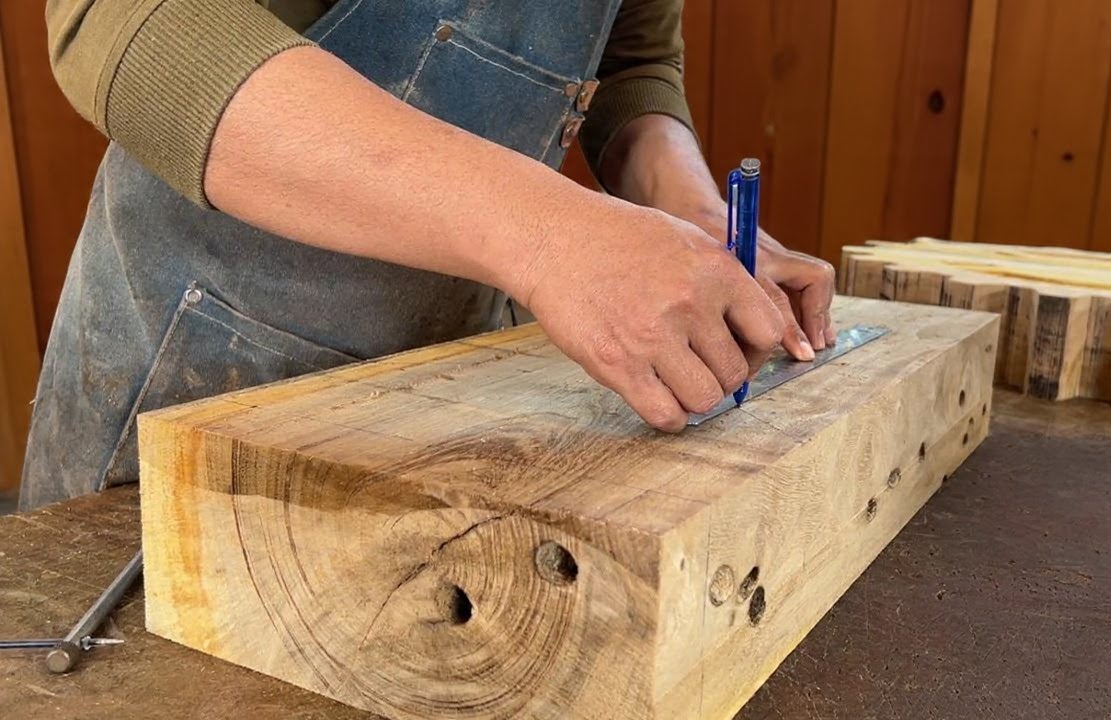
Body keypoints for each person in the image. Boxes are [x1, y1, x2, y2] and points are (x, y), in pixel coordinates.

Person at [21, 0, 836, 509]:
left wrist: (695, 220)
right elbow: (127, 21)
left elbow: (633, 60)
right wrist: (550, 235)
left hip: (453, 397)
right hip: (192, 384)